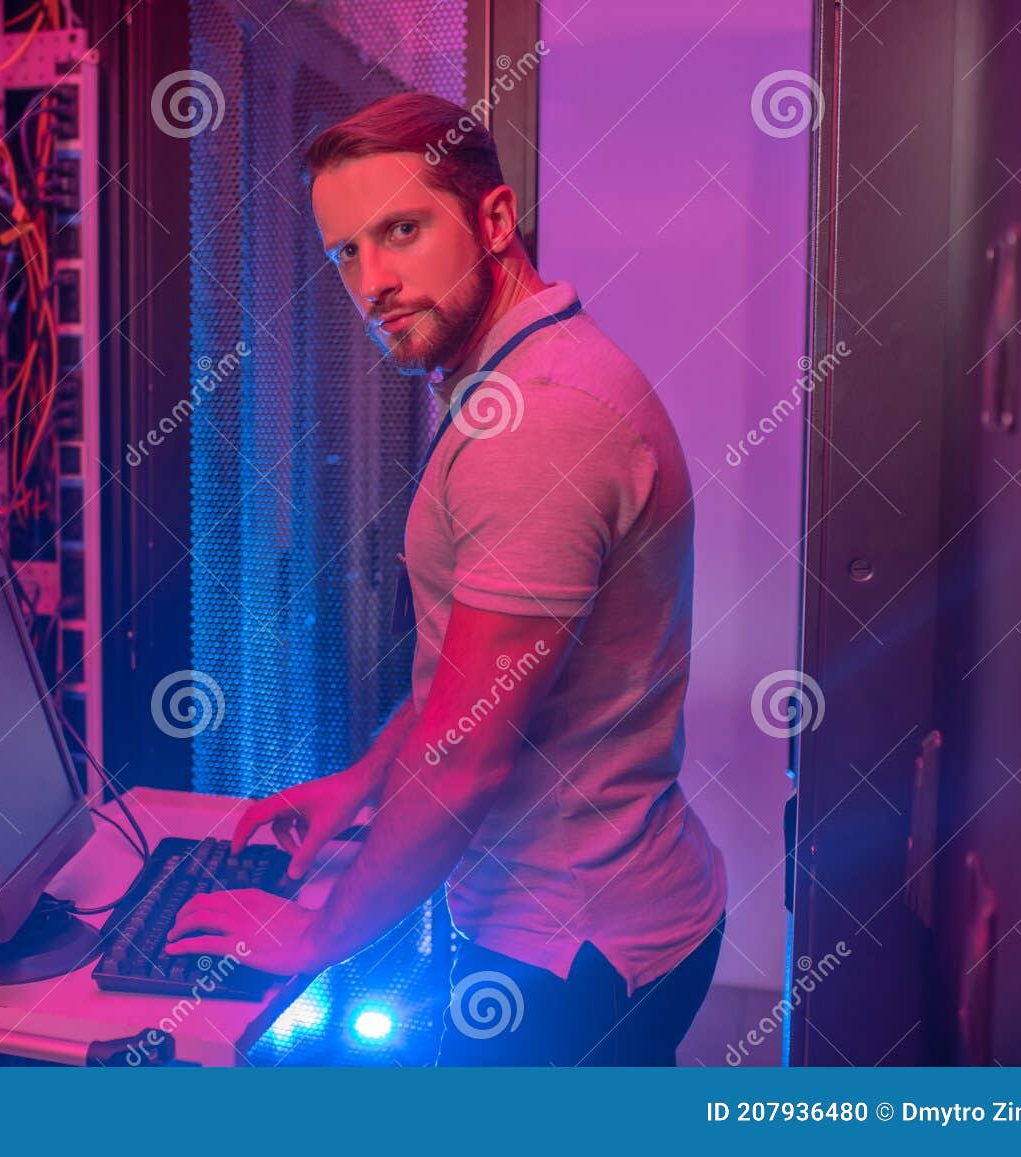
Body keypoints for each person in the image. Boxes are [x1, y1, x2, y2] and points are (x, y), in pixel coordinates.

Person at [163, 92, 726, 1066]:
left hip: (566, 949)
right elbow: (464, 680)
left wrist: (313, 934)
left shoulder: (537, 423)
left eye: (402, 231)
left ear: (495, 219)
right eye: (346, 253)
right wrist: (360, 785)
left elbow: (465, 758)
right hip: (608, 917)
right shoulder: (519, 377)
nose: (373, 281)